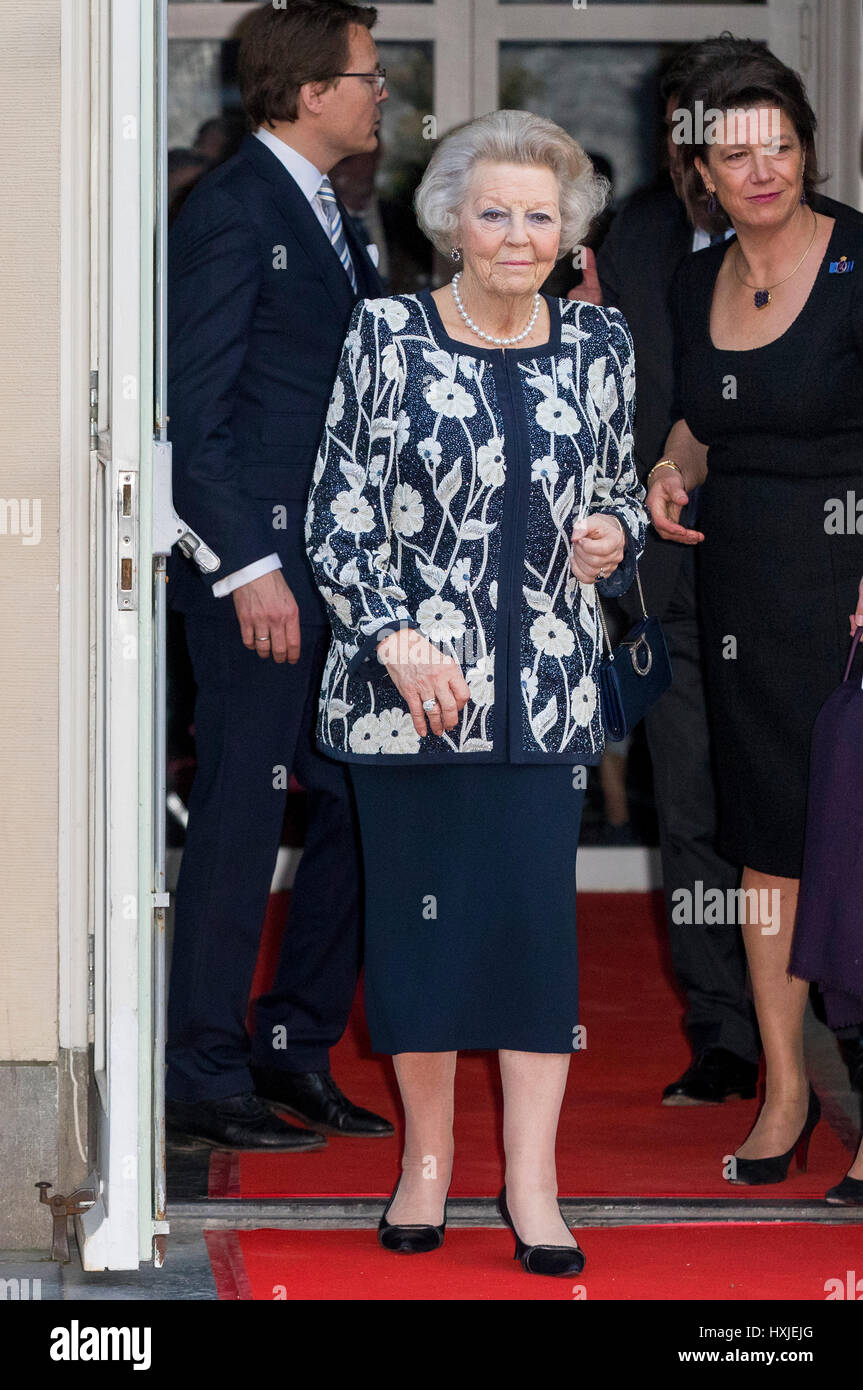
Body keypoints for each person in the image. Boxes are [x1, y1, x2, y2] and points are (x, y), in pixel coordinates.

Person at [305, 109, 647, 1273]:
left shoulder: (600, 346)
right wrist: (396, 637)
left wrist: (613, 531)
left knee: (532, 945)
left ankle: (536, 1184)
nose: (514, 234)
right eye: (491, 212)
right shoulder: (388, 333)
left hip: (544, 695)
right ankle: (428, 1165)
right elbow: (338, 508)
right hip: (414, 698)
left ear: (568, 231)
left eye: (538, 216)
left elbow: (621, 493)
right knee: (421, 946)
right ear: (450, 220)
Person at [164, 0, 394, 1150]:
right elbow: (190, 417)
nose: (380, 90)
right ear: (310, 92)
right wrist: (249, 567)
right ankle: (199, 1072)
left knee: (357, 801)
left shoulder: (327, 214)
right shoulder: (234, 208)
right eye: (365, 73)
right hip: (258, 578)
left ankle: (293, 1047)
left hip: (335, 576)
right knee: (240, 821)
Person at [647, 37, 863, 1197]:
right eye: (735, 154)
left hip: (851, 590)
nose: (762, 170)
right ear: (701, 172)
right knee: (764, 849)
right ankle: (784, 1089)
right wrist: (663, 475)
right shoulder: (693, 281)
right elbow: (700, 421)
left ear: (804, 148)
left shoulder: (858, 260)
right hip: (743, 588)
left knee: (854, 843)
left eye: (778, 145)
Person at [571, 40, 761, 1106]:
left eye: (732, 125)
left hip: (795, 571)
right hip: (667, 586)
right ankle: (722, 1028)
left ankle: (826, 1015)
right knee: (686, 803)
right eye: (693, 124)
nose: (708, 149)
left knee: (798, 803)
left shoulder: (827, 245)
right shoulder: (629, 240)